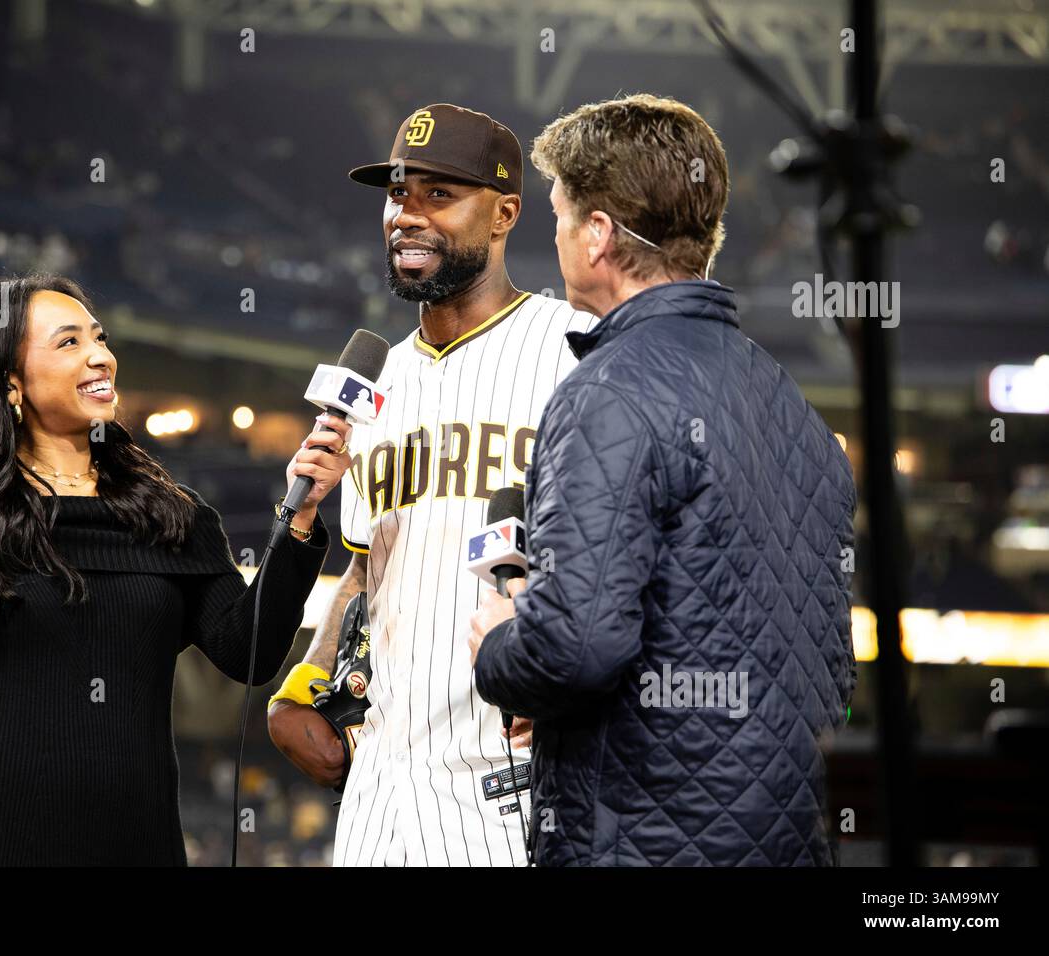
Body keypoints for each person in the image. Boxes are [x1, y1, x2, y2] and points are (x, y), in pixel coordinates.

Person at [470, 95, 857, 866]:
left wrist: (502, 650)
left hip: (641, 843)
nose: (554, 236)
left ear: (600, 235)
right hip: (788, 841)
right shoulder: (793, 408)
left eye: (558, 215)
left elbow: (576, 646)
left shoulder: (607, 393)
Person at [0, 273, 351, 866]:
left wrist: (297, 519)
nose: (101, 355)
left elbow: (249, 648)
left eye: (99, 337)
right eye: (69, 343)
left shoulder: (170, 515)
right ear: (10, 382)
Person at [266, 103, 597, 866]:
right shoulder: (374, 387)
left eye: (438, 196)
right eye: (397, 195)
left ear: (507, 212)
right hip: (378, 786)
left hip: (507, 780)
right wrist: (303, 680)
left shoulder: (570, 348)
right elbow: (362, 569)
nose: (406, 216)